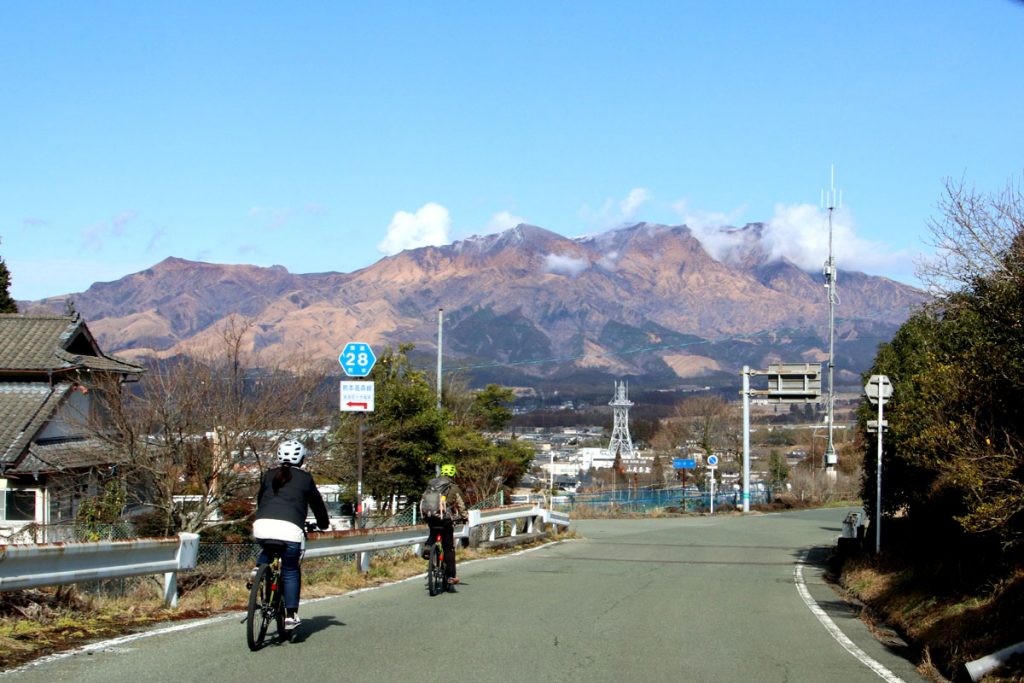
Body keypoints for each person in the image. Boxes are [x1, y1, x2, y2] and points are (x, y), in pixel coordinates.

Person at [252, 439, 329, 628]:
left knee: (267, 546)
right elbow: (317, 505)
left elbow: (261, 500)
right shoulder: (305, 478)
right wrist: (323, 524)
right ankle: (290, 615)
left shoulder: (269, 475)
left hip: (262, 525)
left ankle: (258, 569)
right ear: (302, 459)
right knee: (290, 569)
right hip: (290, 530)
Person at [420, 463, 467, 587]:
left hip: (430, 516)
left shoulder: (432, 484)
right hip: (445, 519)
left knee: (433, 532)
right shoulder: (453, 487)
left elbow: (424, 498)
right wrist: (464, 517)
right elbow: (461, 505)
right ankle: (451, 576)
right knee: (448, 547)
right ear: (453, 474)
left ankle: (428, 546)